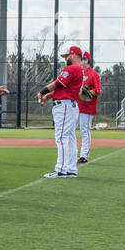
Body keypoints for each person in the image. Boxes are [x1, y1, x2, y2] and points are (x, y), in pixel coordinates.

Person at [37, 44, 85, 177]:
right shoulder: (78, 69)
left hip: (65, 106)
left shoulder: (73, 68)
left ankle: (61, 169)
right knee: (69, 137)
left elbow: (56, 84)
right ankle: (70, 169)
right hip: (68, 105)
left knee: (61, 137)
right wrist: (47, 96)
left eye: (67, 55)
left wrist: (42, 92)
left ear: (74, 55)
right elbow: (62, 88)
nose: (66, 58)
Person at [76, 51, 101, 163]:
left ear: (87, 60)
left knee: (84, 131)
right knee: (70, 129)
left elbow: (97, 90)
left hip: (87, 107)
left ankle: (84, 155)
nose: (81, 61)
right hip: (76, 106)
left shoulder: (93, 74)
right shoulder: (78, 73)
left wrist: (87, 92)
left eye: (83, 59)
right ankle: (72, 154)